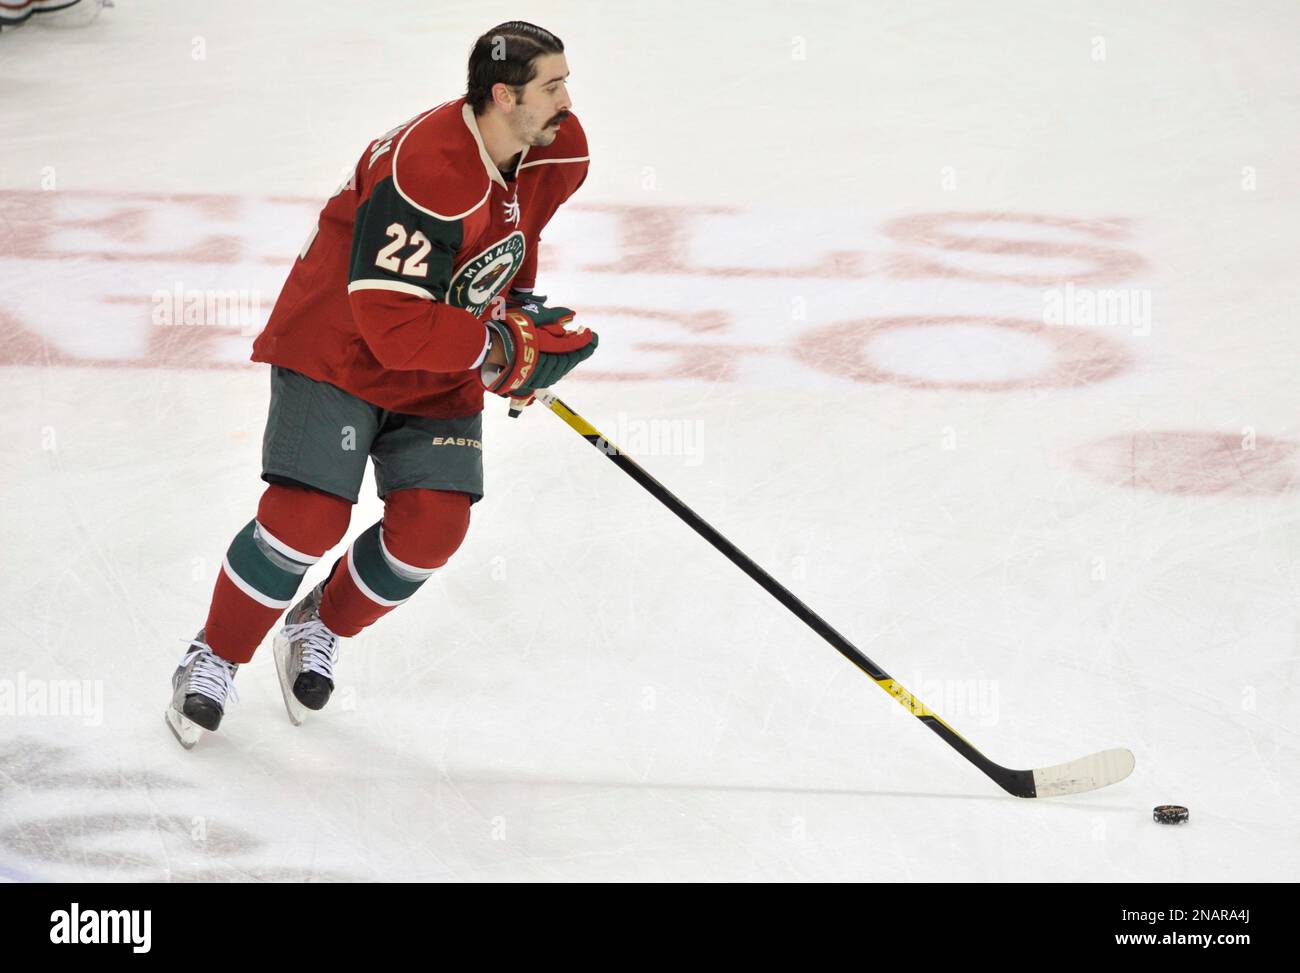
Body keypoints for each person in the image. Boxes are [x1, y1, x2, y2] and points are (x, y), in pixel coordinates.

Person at [166, 20, 598, 749]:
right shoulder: (425, 171)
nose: (567, 99)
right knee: (306, 519)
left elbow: (517, 236)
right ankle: (213, 655)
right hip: (338, 347)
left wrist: (517, 321)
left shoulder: (558, 142)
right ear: (503, 95)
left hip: (437, 350)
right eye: (552, 86)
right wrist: (498, 352)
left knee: (432, 531)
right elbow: (392, 327)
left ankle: (316, 625)